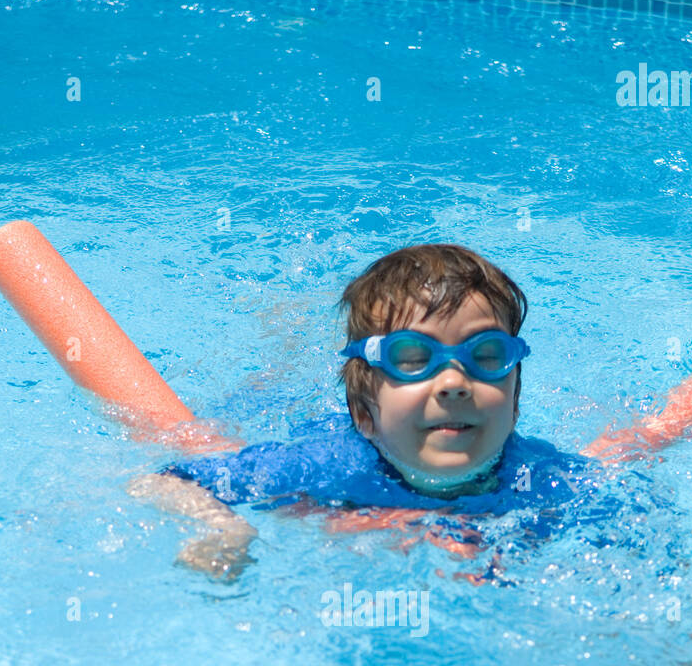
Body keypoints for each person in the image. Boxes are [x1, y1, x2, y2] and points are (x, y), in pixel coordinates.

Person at [127, 244, 663, 582]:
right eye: (414, 360)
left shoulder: (544, 479)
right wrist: (226, 532)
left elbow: (647, 527)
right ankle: (283, 325)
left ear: (517, 399)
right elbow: (163, 481)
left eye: (487, 357)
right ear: (363, 412)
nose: (454, 383)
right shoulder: (327, 465)